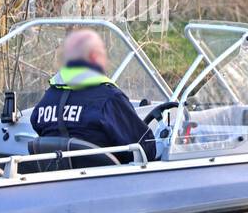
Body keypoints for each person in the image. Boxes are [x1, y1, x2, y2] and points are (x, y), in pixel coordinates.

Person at [31, 29, 157, 161]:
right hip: (107, 179)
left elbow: (37, 125)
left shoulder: (48, 98)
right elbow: (146, 149)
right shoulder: (109, 99)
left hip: (57, 179)